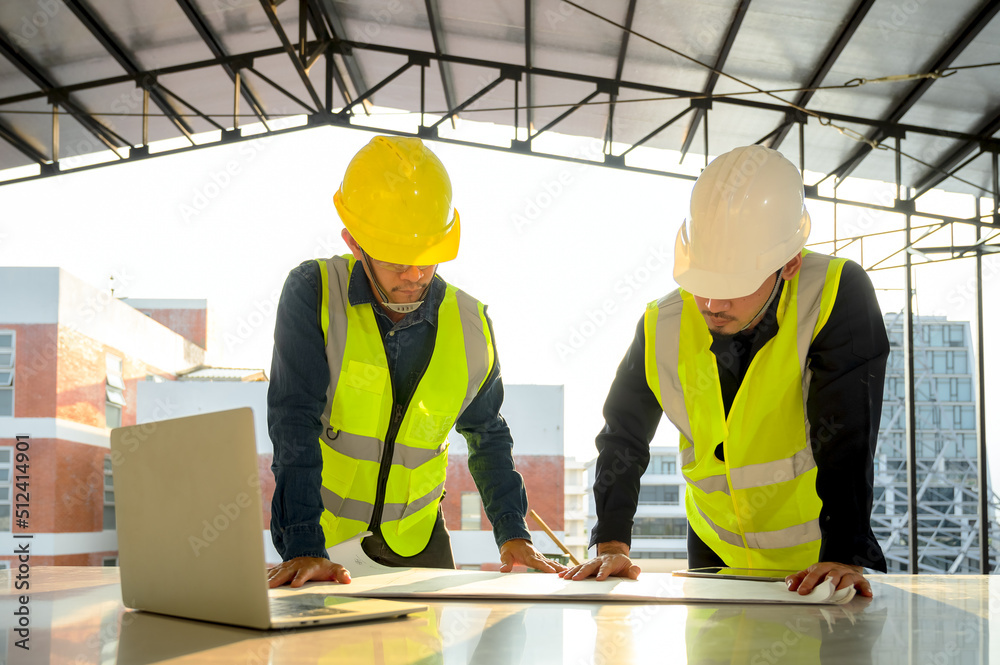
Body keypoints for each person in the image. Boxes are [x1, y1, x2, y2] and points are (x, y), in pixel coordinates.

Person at [560, 145, 888, 596]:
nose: (713, 304)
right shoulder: (663, 322)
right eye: (703, 283)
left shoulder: (833, 294)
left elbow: (849, 434)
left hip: (816, 556)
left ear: (788, 263)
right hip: (715, 550)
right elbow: (624, 433)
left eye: (733, 285)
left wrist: (844, 553)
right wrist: (611, 542)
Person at [267, 135, 565, 587]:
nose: (414, 276)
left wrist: (512, 532)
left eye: (427, 259)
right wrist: (304, 544)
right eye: (395, 260)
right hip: (325, 545)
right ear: (354, 242)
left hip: (419, 542)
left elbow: (487, 434)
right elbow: (293, 420)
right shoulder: (314, 292)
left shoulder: (470, 323)